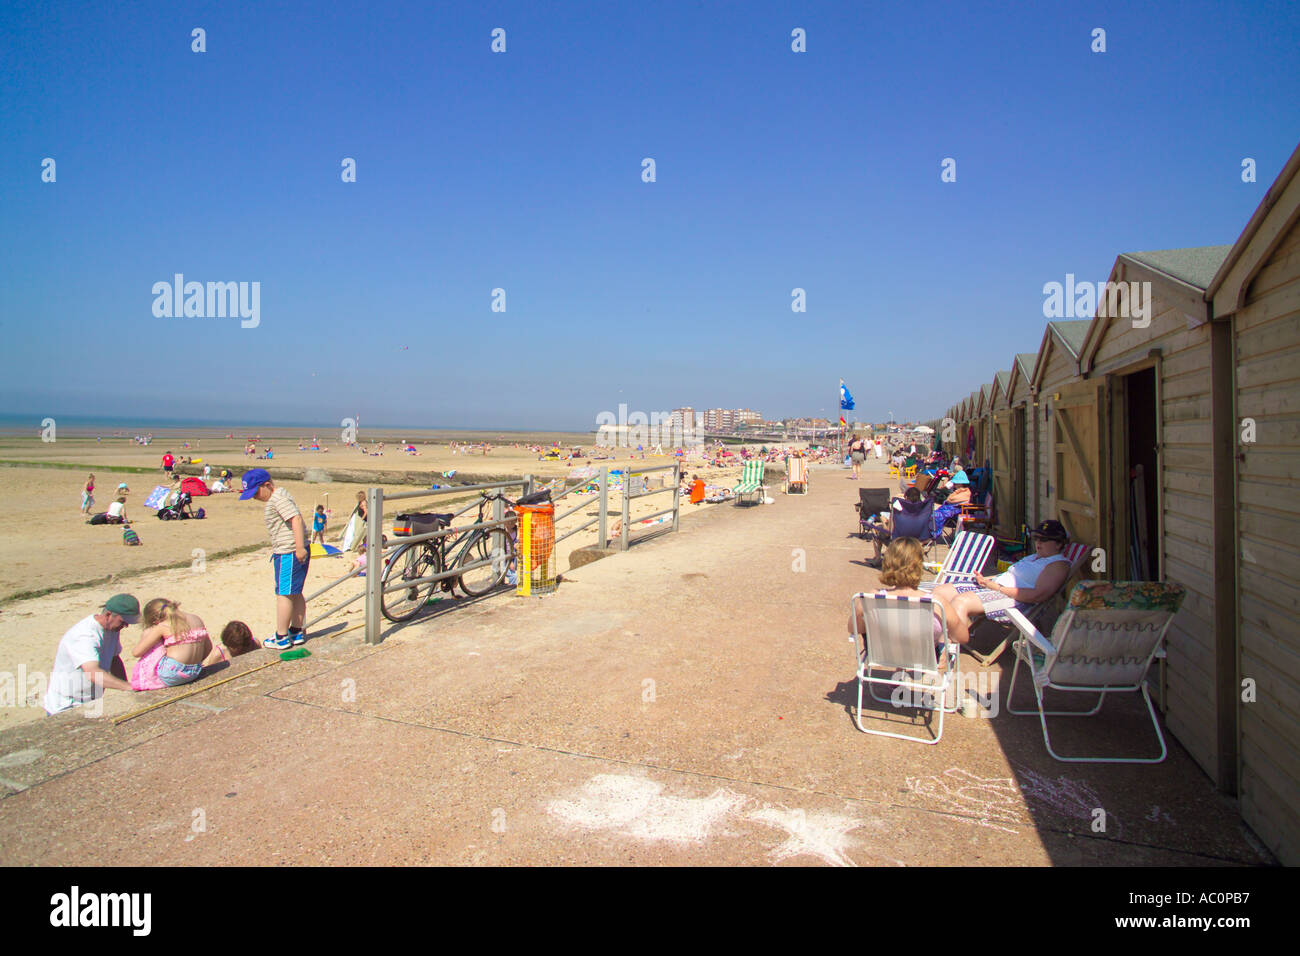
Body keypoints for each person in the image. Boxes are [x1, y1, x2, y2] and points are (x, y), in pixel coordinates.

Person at [932, 520, 1074, 632]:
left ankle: (947, 651)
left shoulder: (1059, 565)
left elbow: (1037, 595)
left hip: (1016, 600)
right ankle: (933, 639)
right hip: (993, 586)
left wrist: (998, 588)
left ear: (1058, 544)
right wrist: (986, 580)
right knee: (938, 593)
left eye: (1044, 539)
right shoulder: (1035, 557)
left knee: (960, 602)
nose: (1038, 542)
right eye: (1036, 538)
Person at [850, 538, 968, 649]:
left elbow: (853, 628)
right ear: (919, 566)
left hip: (884, 654)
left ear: (887, 563)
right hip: (926, 658)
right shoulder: (936, 603)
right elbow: (962, 637)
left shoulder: (871, 598)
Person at [241, 468, 309, 649]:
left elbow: (295, 518)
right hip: (293, 550)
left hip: (288, 552)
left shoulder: (277, 498)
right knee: (295, 592)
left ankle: (281, 636)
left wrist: (300, 547)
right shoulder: (281, 496)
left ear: (267, 486)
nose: (255, 498)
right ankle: (297, 631)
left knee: (284, 594)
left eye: (256, 493)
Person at [44, 594, 141, 714]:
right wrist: (129, 687)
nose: (126, 626)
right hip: (67, 705)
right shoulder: (85, 636)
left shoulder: (112, 628)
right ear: (108, 615)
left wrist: (128, 689)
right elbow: (93, 673)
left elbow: (114, 659)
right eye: (123, 622)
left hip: (90, 702)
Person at [130, 599, 229, 690]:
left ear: (156, 619)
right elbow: (208, 647)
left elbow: (136, 653)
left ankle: (146, 680)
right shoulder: (196, 618)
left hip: (171, 673)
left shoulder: (162, 626)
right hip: (194, 672)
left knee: (149, 634)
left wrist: (149, 633)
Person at [865, 486, 922, 566]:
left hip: (899, 541)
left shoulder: (899, 509)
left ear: (906, 497)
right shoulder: (923, 510)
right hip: (918, 541)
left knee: (876, 529)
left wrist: (883, 520)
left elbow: (888, 533)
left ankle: (878, 558)